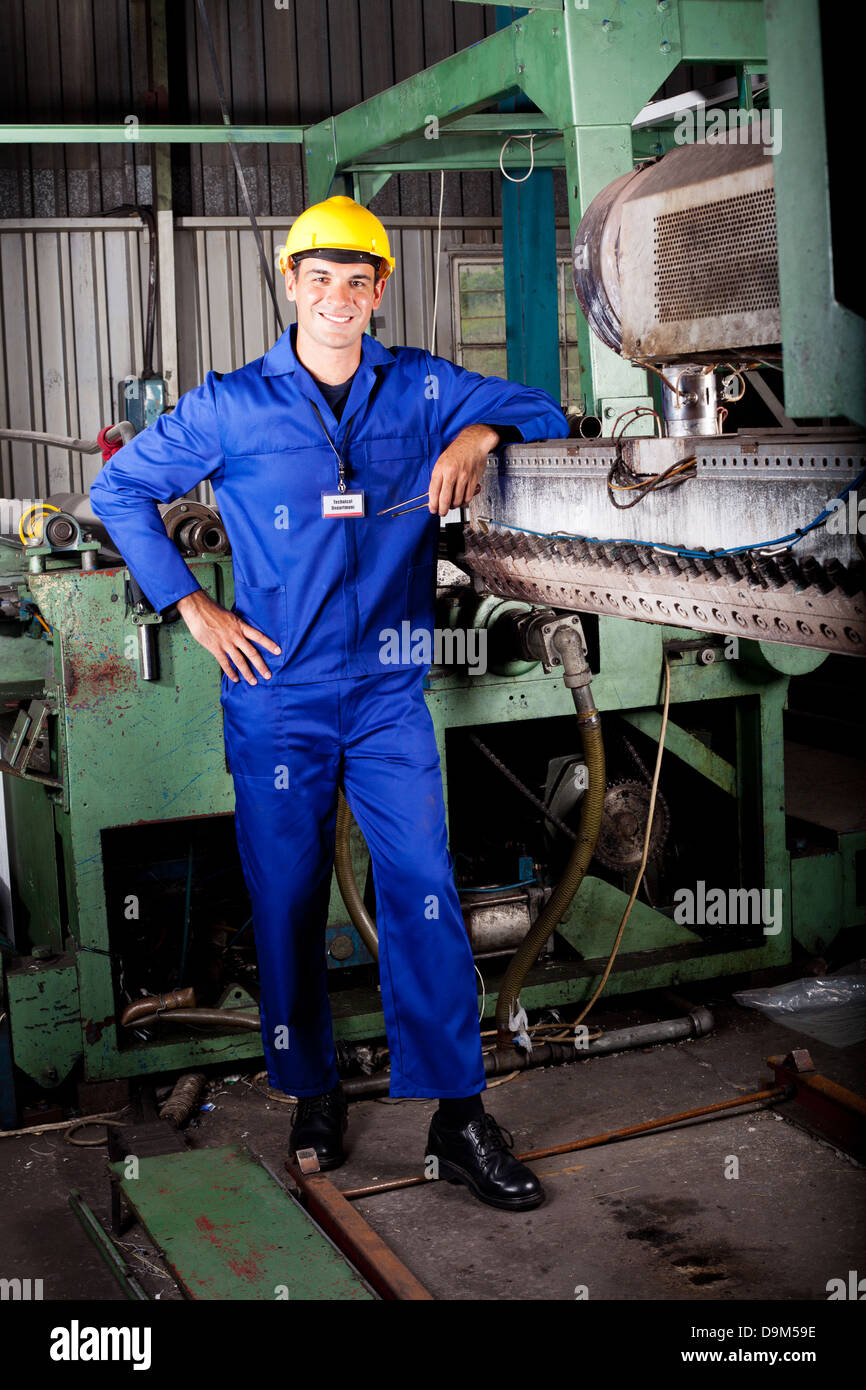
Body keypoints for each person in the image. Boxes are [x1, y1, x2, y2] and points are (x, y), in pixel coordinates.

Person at [90, 195, 569, 1212]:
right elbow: (120, 490)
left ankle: (456, 1113)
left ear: (378, 291)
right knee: (286, 901)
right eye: (320, 278)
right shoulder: (230, 404)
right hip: (277, 696)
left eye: (358, 281)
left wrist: (478, 430)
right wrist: (191, 606)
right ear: (289, 282)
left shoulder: (424, 387)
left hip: (388, 691)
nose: (338, 298)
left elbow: (544, 408)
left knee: (422, 891)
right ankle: (309, 1089)